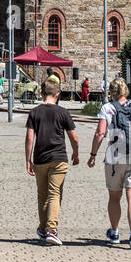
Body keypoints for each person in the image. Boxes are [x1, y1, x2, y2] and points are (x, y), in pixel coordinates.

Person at [89, 78, 131, 248]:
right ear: (126, 91)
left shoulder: (108, 108)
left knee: (114, 197)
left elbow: (100, 133)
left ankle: (115, 232)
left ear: (111, 92)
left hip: (114, 158)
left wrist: (93, 155)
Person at [25, 77, 79, 245]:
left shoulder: (34, 112)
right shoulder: (63, 112)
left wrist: (28, 159)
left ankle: (42, 228)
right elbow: (74, 138)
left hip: (40, 158)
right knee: (54, 193)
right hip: (58, 158)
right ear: (58, 94)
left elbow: (29, 138)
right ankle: (51, 230)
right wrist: (76, 153)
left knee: (42, 195)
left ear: (41, 93)